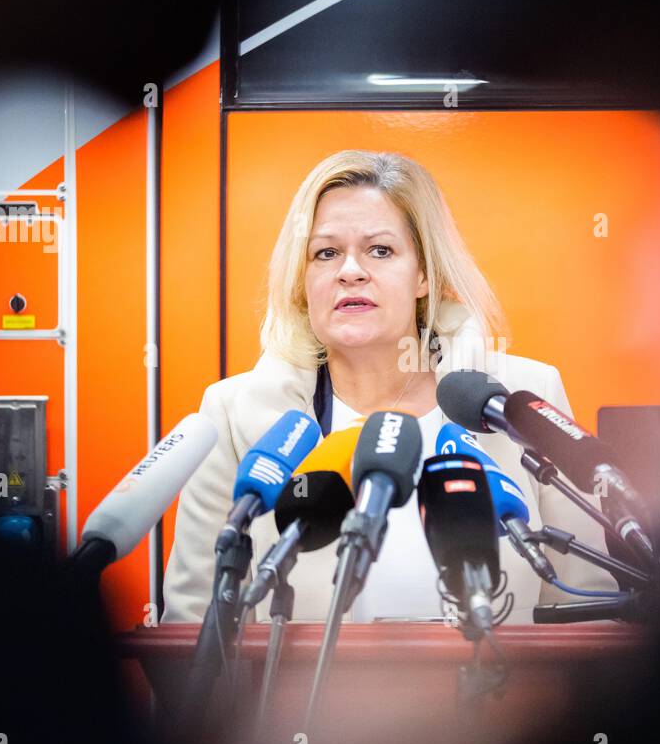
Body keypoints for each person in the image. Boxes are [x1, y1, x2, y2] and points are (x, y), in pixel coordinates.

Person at [161, 150, 617, 625]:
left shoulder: (522, 395)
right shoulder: (234, 413)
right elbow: (194, 625)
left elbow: (586, 608)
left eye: (380, 250)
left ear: (423, 274)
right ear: (303, 279)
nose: (350, 271)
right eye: (326, 253)